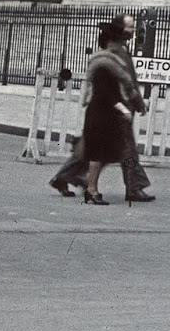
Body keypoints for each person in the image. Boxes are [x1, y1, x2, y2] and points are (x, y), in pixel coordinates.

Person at [49, 12, 154, 202]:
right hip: (116, 109)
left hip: (118, 108)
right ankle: (134, 187)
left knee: (96, 149)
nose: (133, 30)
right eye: (130, 27)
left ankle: (65, 176)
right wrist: (131, 103)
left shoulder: (121, 50)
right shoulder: (114, 53)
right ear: (120, 30)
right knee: (125, 150)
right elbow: (123, 82)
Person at [79, 24, 135, 205]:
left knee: (99, 154)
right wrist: (122, 107)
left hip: (103, 112)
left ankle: (90, 188)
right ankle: (91, 190)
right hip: (100, 113)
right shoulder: (104, 63)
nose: (121, 46)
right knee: (97, 155)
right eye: (119, 42)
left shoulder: (108, 61)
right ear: (111, 43)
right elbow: (104, 92)